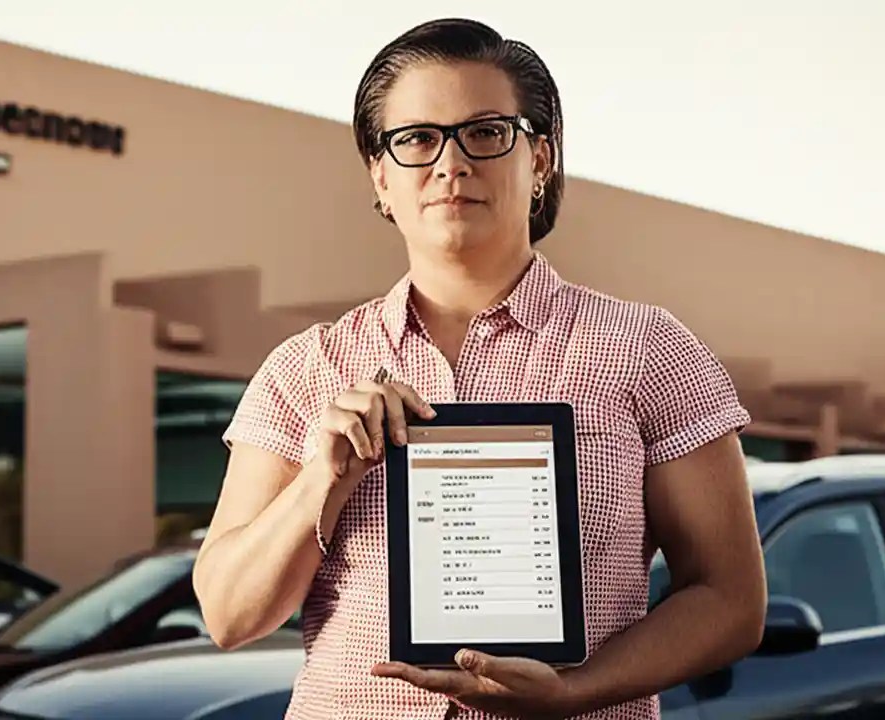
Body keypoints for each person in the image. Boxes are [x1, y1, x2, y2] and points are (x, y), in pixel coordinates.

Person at [193, 17, 767, 720]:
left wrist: (573, 691)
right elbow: (229, 616)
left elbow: (730, 600)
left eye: (487, 132)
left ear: (541, 159)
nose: (450, 163)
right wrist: (325, 475)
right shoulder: (305, 369)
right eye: (416, 139)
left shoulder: (649, 350)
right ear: (381, 174)